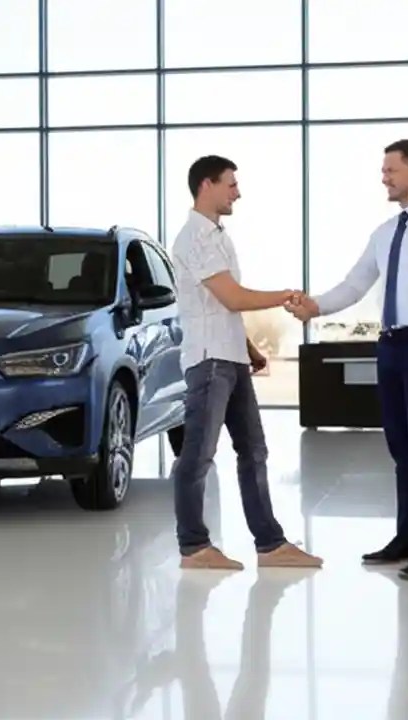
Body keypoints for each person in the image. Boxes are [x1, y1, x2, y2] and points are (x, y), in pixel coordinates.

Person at [285, 139, 408, 580]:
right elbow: (355, 285)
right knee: (399, 445)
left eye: (391, 170)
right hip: (390, 346)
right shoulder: (384, 233)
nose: (384, 178)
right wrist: (314, 306)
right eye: (384, 170)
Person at [168, 154, 323, 571]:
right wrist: (285, 295)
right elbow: (233, 297)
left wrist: (248, 346)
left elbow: (223, 308)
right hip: (209, 361)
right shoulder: (193, 238)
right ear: (206, 185)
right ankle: (193, 546)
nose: (238, 191)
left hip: (231, 357)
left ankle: (270, 545)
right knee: (197, 455)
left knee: (253, 450)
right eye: (231, 184)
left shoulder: (219, 236)